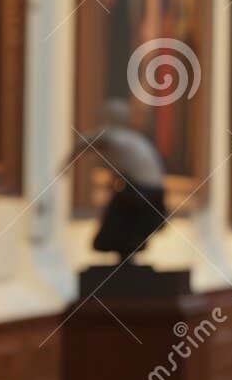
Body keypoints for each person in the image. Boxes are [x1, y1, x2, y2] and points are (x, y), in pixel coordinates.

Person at [60, 99, 167, 262]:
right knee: (123, 231)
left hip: (141, 194)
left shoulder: (115, 136)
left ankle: (123, 244)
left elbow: (86, 141)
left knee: (114, 231)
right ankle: (126, 247)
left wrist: (65, 164)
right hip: (150, 193)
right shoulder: (134, 140)